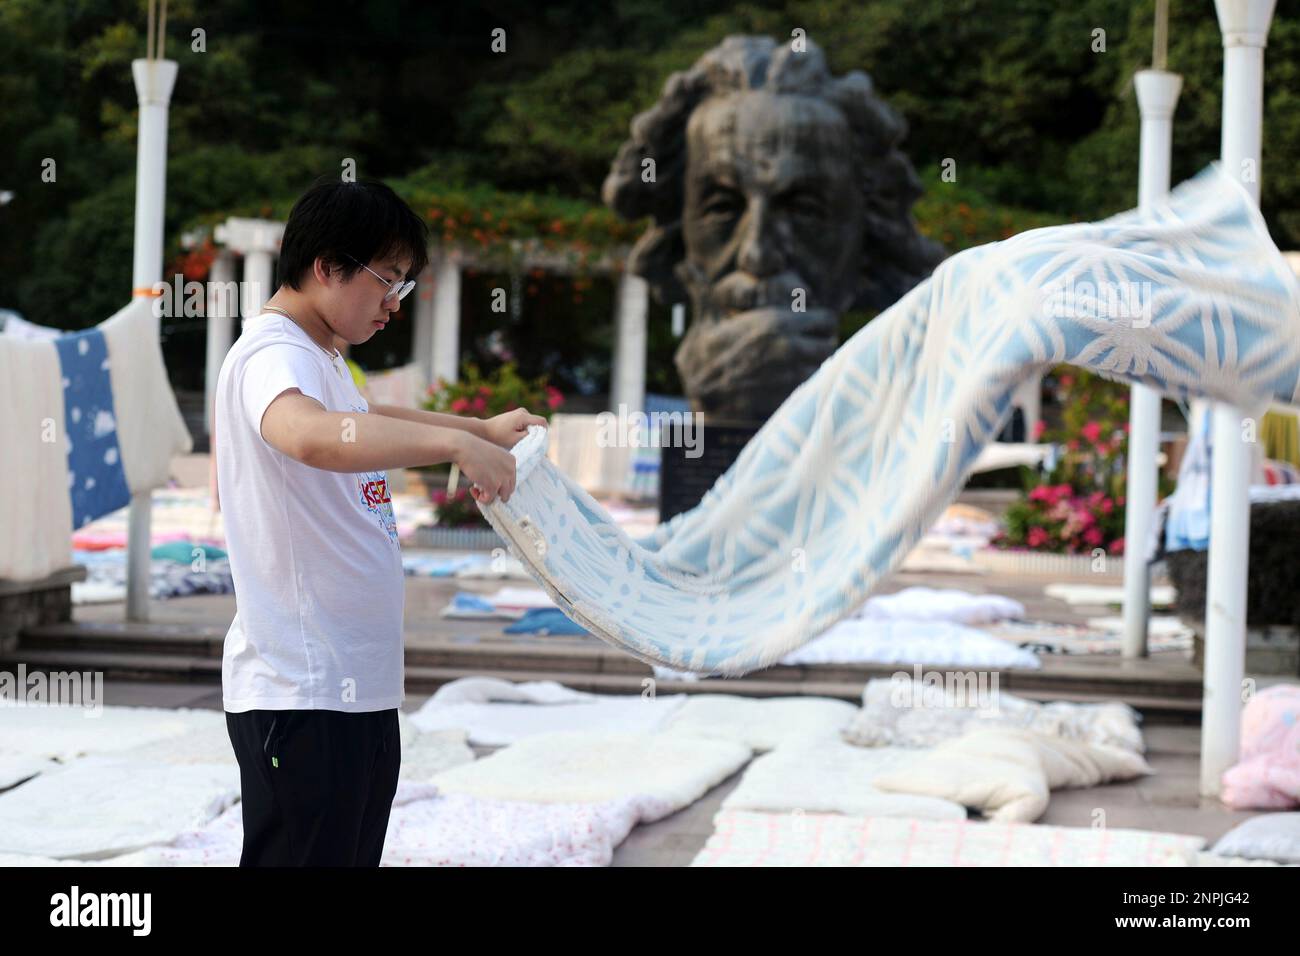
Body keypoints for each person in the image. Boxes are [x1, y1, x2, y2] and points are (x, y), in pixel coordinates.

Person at [214, 177, 544, 866]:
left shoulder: (321, 357)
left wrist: (474, 427)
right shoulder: (274, 352)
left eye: (404, 286)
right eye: (387, 281)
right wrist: (456, 447)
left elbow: (366, 421)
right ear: (327, 265)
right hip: (300, 696)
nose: (394, 304)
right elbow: (308, 434)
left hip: (351, 690)